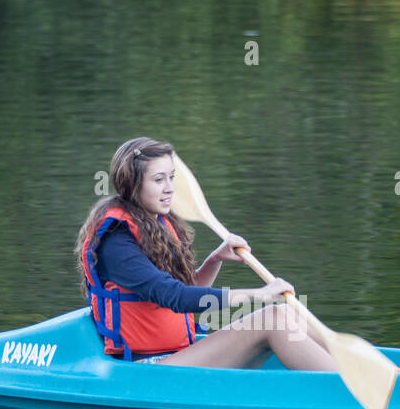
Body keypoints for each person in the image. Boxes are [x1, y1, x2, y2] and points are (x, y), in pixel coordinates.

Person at [75, 136, 338, 370]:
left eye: (171, 177)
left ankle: (359, 377)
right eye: (158, 180)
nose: (169, 188)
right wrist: (258, 295)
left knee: (288, 314)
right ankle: (350, 393)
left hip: (179, 354)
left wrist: (215, 259)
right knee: (273, 318)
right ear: (132, 185)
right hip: (149, 368)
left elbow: (188, 293)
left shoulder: (158, 224)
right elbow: (174, 297)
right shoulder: (117, 242)